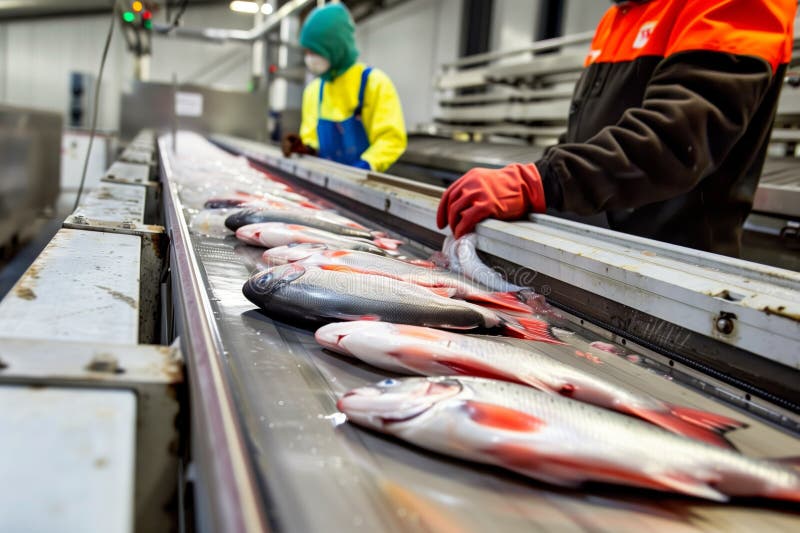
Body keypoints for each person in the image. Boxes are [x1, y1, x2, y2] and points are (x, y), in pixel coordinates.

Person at [437, 0, 796, 257]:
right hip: (597, 254)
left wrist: (540, 183)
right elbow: (584, 138)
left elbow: (677, 141)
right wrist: (531, 179)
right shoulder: (620, 16)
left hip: (672, 270)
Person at [282, 3, 407, 173]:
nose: (309, 58)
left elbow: (391, 139)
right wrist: (305, 148)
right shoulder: (314, 90)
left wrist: (366, 166)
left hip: (366, 185)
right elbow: (311, 137)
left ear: (334, 47)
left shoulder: (374, 83)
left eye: (315, 51)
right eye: (307, 51)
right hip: (325, 181)